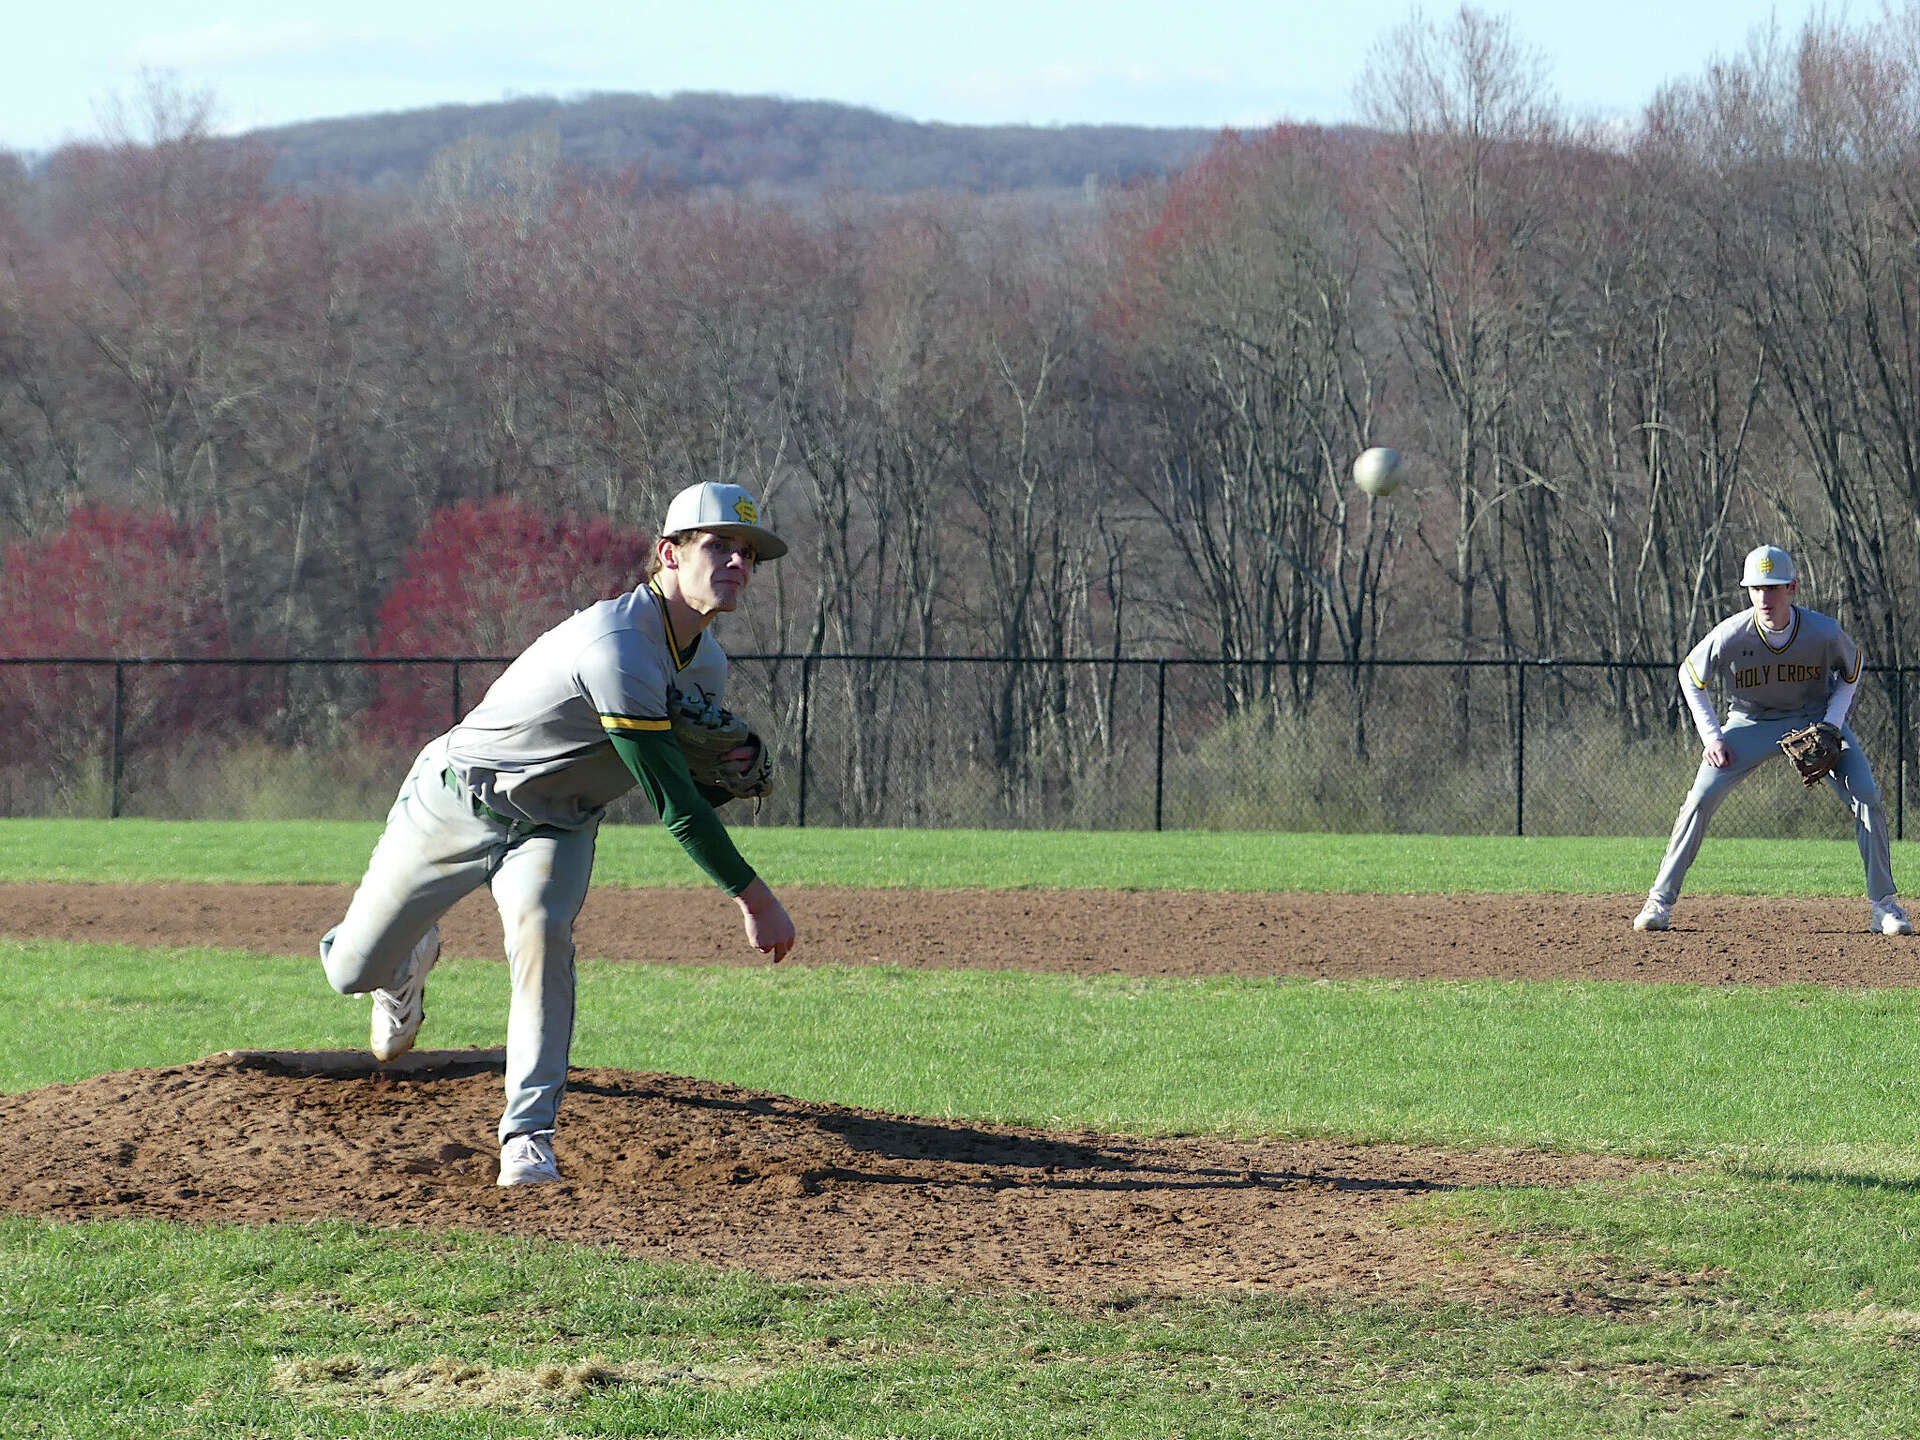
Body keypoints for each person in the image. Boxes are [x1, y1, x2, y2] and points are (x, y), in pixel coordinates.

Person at [320, 482, 797, 1185]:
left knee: (543, 932)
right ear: (669, 554)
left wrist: (727, 777)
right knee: (348, 972)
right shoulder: (617, 647)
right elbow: (675, 805)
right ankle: (404, 964)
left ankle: (527, 1137)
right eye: (717, 544)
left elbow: (690, 790)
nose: (736, 562)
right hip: (457, 800)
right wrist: (754, 898)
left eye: (748, 552)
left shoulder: (708, 665)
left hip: (558, 825)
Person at [1634, 543, 1910, 936]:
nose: (1765, 597)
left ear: (1793, 588)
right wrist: (1712, 737)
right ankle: (1659, 902)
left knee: (1867, 794)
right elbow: (1689, 676)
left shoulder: (1823, 631)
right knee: (1699, 798)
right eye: (1757, 588)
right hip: (1750, 722)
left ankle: (1883, 905)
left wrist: (1832, 724)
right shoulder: (1732, 633)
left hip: (1815, 721)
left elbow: (1852, 672)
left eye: (1775, 587)